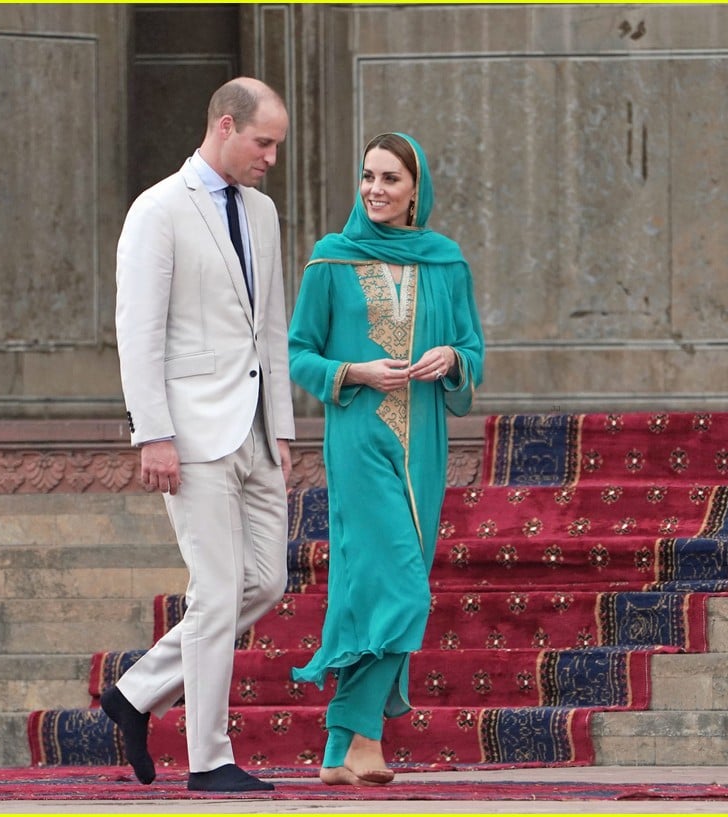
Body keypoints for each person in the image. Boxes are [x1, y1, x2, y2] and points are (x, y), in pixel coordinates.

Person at [102, 77, 296, 793]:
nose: (271, 156)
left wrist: (282, 424)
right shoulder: (158, 210)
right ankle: (209, 758)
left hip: (255, 431)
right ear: (224, 125)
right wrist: (152, 432)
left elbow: (268, 325)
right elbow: (139, 330)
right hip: (188, 434)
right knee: (217, 590)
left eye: (276, 144)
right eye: (263, 142)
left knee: (265, 579)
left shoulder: (265, 213)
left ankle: (134, 691)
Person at [288, 132, 485, 786]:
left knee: (368, 585)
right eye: (368, 175)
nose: (375, 189)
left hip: (422, 443)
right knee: (400, 585)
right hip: (358, 437)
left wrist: (453, 359)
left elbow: (472, 347)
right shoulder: (330, 259)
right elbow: (298, 354)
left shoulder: (444, 261)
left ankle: (336, 752)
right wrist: (355, 370)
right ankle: (367, 739)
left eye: (390, 179)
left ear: (414, 191)